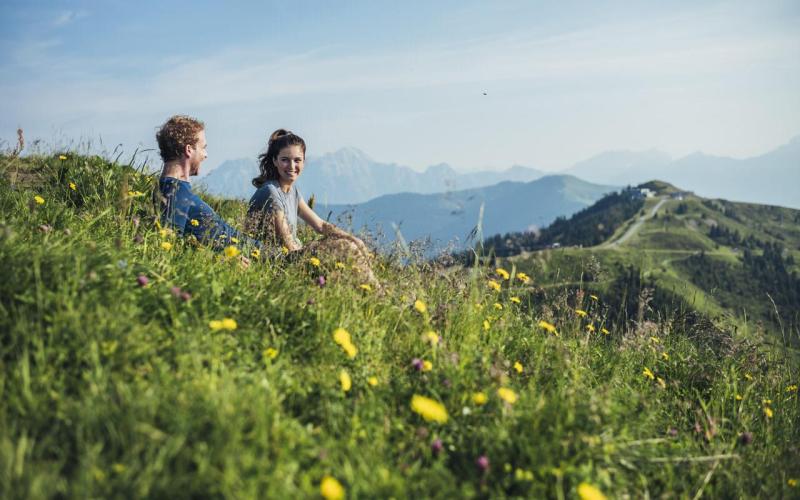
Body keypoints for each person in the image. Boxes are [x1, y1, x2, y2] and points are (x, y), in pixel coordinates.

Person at [245, 129, 377, 285]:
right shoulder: (271, 192)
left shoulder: (292, 192)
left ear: (304, 162)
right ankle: (377, 293)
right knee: (346, 248)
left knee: (351, 246)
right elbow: (287, 242)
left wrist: (354, 239)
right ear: (275, 161)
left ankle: (370, 291)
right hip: (277, 262)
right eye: (285, 160)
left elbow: (320, 225)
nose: (292, 166)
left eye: (297, 160)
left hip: (292, 256)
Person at [155, 115, 261, 259]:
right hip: (253, 255)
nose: (206, 155)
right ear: (189, 150)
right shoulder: (174, 189)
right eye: (203, 148)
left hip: (253, 249)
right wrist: (222, 260)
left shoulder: (175, 187)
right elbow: (169, 243)